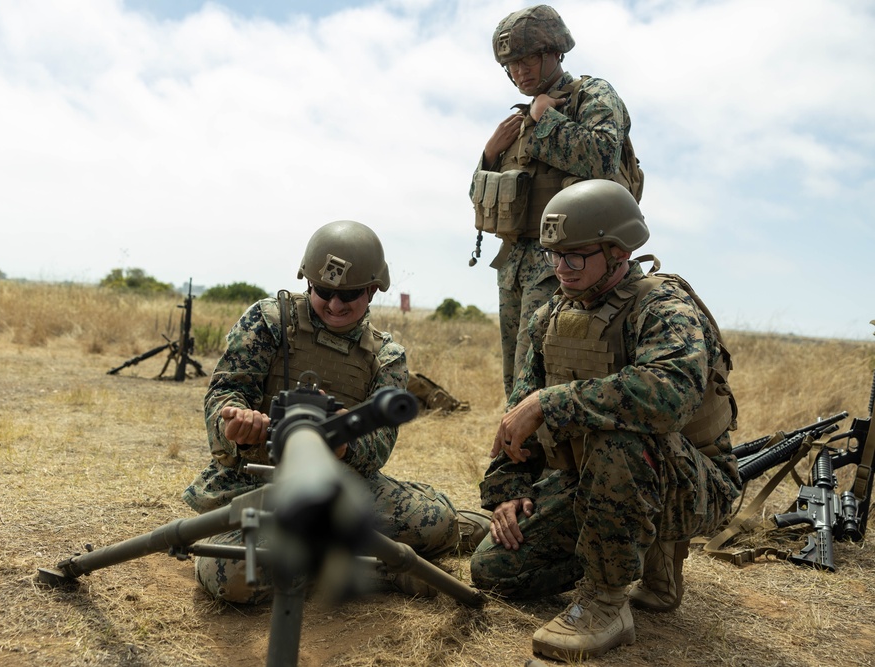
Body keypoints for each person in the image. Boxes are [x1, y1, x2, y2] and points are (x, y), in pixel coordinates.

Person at [469, 181, 740, 661]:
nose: (561, 269)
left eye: (575, 257)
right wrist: (510, 491)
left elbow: (668, 397)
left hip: (686, 480)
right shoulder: (550, 317)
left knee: (618, 436)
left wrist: (554, 403)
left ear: (617, 251)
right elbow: (519, 418)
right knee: (495, 570)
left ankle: (607, 601)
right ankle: (635, 553)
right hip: (590, 480)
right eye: (554, 256)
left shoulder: (662, 307)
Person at [182, 220, 490, 603]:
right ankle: (380, 571)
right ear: (308, 281)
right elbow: (226, 391)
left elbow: (379, 444)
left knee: (437, 525)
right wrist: (237, 423)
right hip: (255, 483)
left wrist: (344, 443)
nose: (335, 304)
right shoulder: (269, 321)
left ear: (374, 289)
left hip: (338, 485)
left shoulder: (385, 355)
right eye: (324, 291)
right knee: (233, 576)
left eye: (350, 294)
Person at [469, 4, 643, 399]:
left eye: (528, 58)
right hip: (514, 264)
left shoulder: (591, 95)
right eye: (511, 65)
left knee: (549, 374)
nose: (520, 72)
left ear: (554, 51)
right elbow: (484, 200)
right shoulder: (517, 122)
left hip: (569, 260)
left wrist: (547, 120)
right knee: (516, 380)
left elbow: (601, 157)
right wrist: (489, 156)